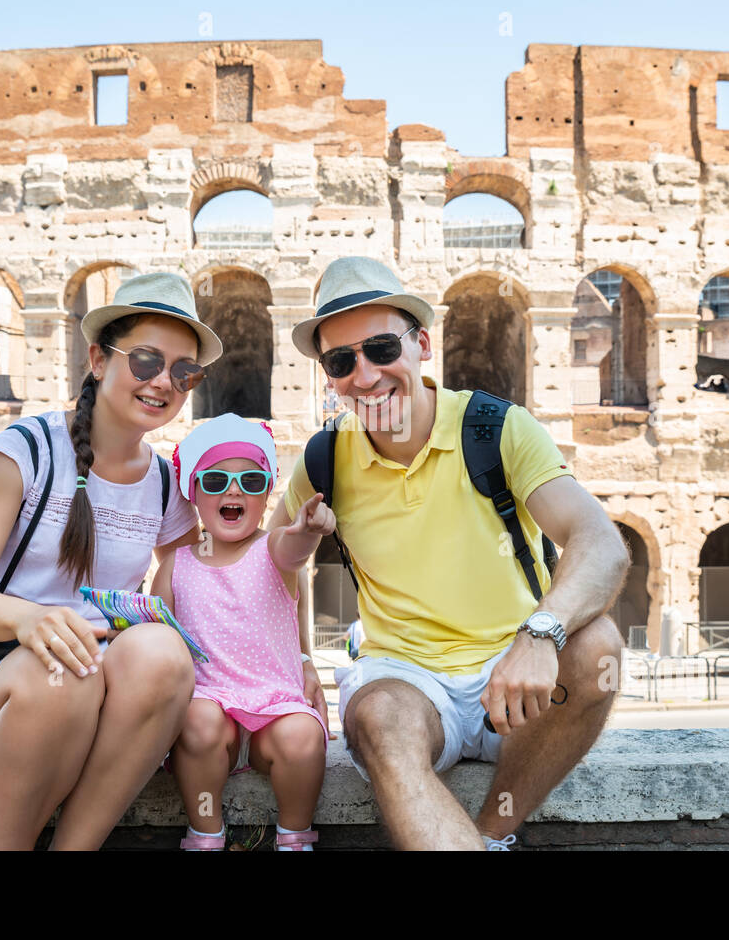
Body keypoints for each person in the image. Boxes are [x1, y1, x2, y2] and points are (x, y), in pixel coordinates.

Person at [266, 256, 630, 851]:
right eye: (341, 361)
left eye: (382, 348)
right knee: (379, 718)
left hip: (513, 674)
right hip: (405, 679)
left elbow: (600, 541)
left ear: (422, 344)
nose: (365, 375)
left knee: (597, 649)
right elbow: (273, 565)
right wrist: (297, 657)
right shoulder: (324, 458)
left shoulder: (495, 427)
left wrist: (541, 634)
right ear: (328, 376)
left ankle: (491, 833)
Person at [0, 271, 220, 850]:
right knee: (60, 666)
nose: (164, 381)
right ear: (98, 358)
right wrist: (28, 619)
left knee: (163, 652)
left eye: (184, 372)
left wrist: (294, 663)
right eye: (145, 361)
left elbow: (203, 587)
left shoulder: (166, 483)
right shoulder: (25, 452)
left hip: (97, 709)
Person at [151, 414, 332, 851]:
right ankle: (205, 832)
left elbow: (293, 551)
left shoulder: (272, 549)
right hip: (210, 708)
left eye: (250, 481)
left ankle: (294, 836)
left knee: (302, 737)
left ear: (267, 492)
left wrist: (306, 533)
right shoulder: (176, 566)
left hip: (276, 703)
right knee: (197, 721)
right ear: (193, 491)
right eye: (215, 481)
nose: (233, 490)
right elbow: (157, 637)